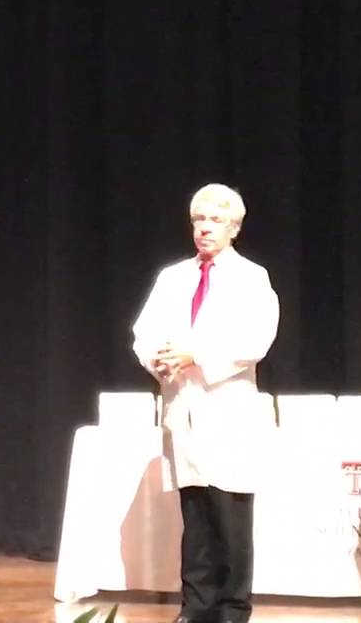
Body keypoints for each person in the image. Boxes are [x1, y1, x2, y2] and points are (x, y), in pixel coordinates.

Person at [131, 183, 279, 623]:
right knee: (194, 516)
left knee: (229, 518)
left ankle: (232, 610)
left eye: (215, 220)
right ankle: (195, 608)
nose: (205, 228)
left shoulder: (251, 277)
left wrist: (196, 355)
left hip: (227, 408)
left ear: (234, 228)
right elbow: (145, 332)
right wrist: (157, 358)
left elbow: (257, 338)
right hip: (184, 406)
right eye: (199, 220)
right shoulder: (173, 277)